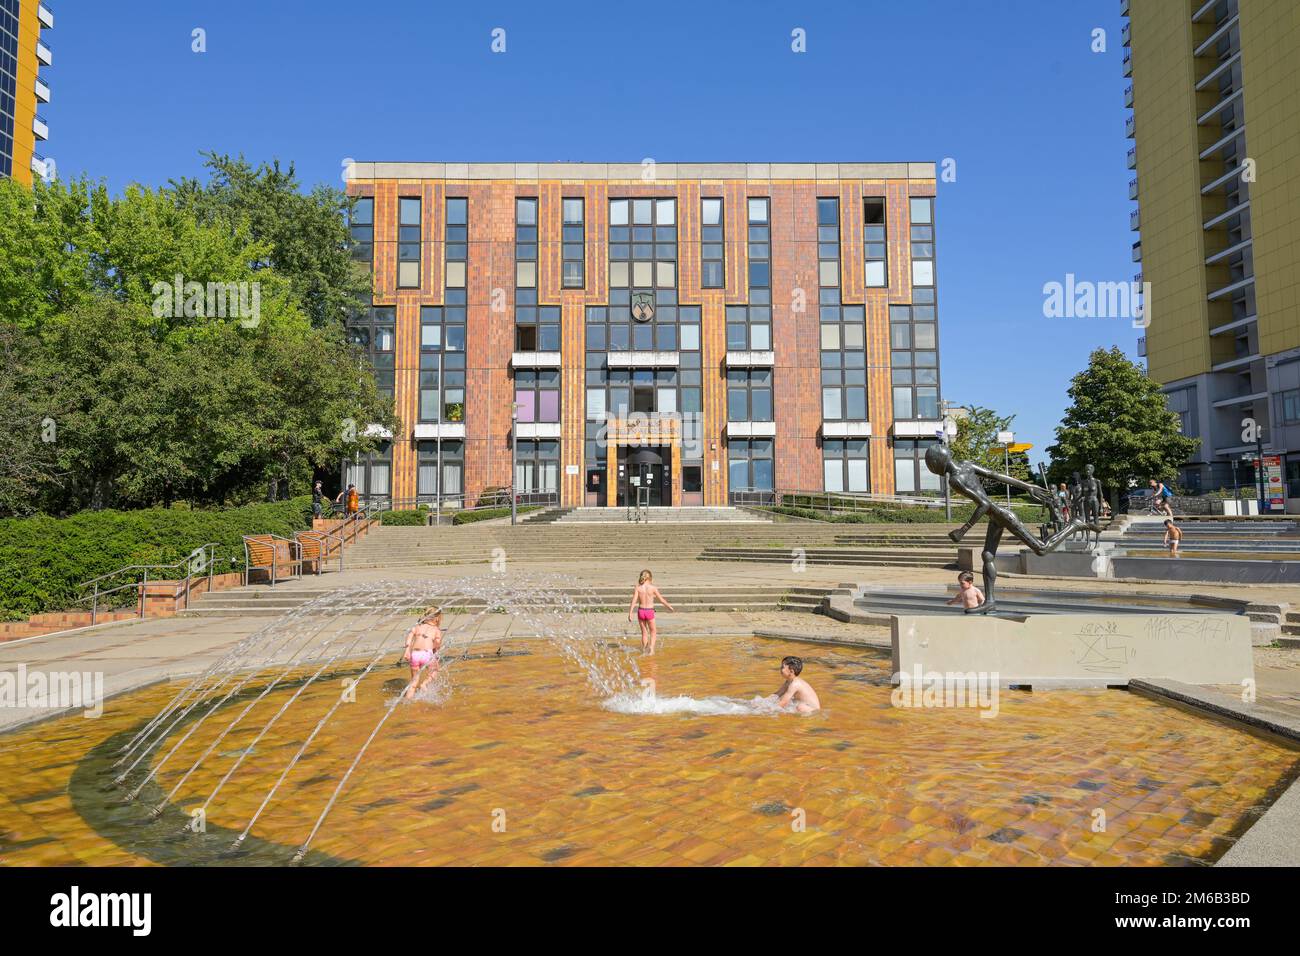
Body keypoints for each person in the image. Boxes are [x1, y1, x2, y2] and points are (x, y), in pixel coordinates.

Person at [628, 569, 675, 656]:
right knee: (653, 631)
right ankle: (651, 649)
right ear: (650, 578)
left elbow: (634, 601)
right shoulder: (653, 588)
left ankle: (644, 649)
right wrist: (669, 607)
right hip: (649, 611)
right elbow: (661, 600)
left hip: (641, 611)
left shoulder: (638, 588)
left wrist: (630, 613)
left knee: (644, 632)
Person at [401, 609, 444, 700]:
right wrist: (435, 654)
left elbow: (409, 637)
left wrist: (407, 651)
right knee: (435, 671)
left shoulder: (418, 626)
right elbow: (437, 643)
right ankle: (424, 684)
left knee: (413, 682)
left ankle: (407, 702)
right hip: (427, 654)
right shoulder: (436, 630)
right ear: (437, 619)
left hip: (415, 654)